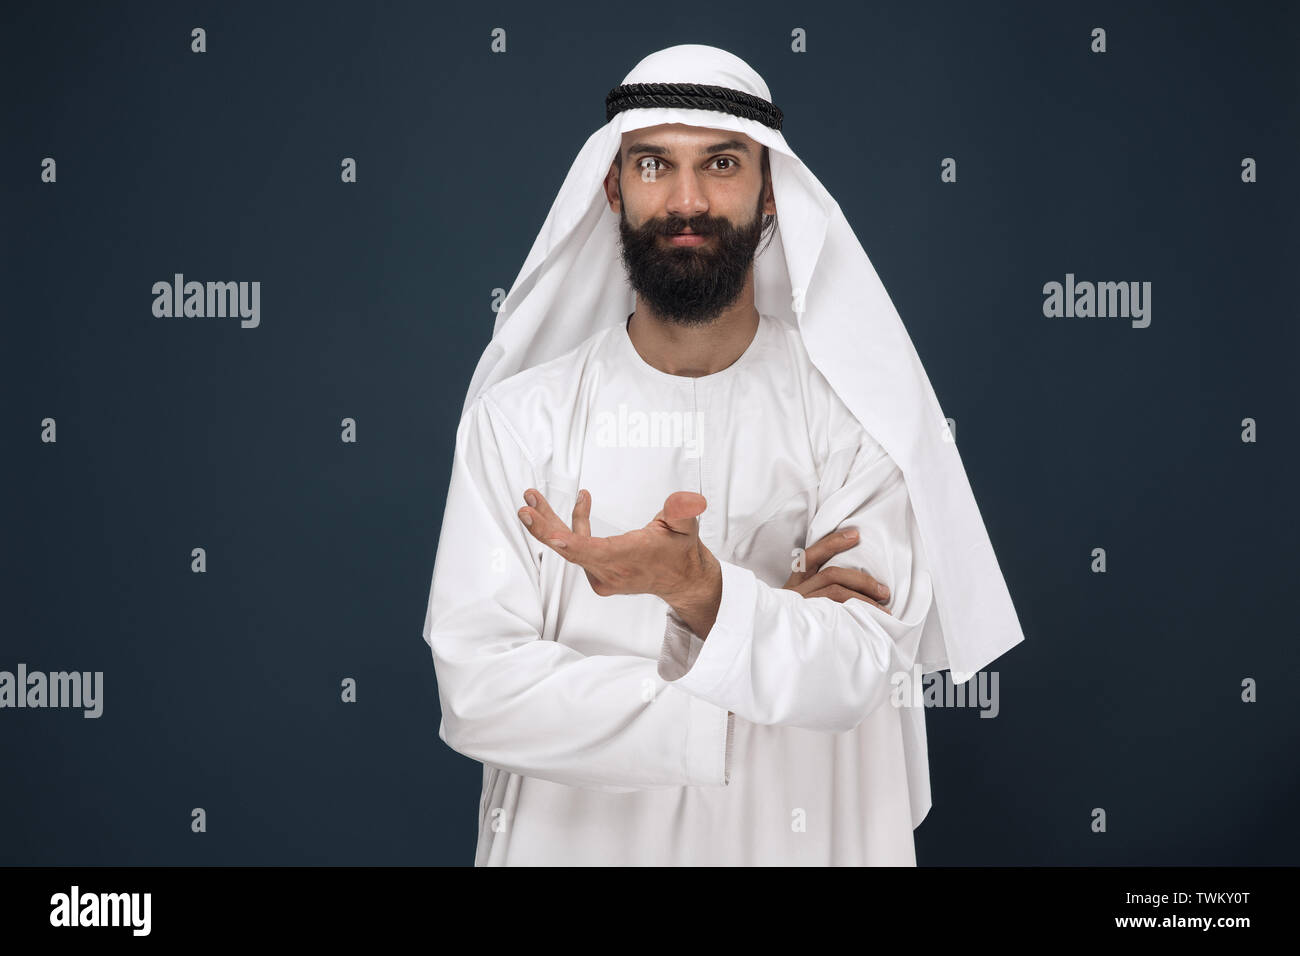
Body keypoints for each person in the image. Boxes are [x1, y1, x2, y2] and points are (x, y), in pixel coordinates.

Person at [421, 44, 1025, 865]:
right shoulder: (520, 420)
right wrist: (759, 630)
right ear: (613, 186)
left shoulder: (857, 415)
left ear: (769, 190)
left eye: (722, 163)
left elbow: (859, 669)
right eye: (653, 165)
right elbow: (479, 693)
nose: (688, 199)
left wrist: (702, 595)